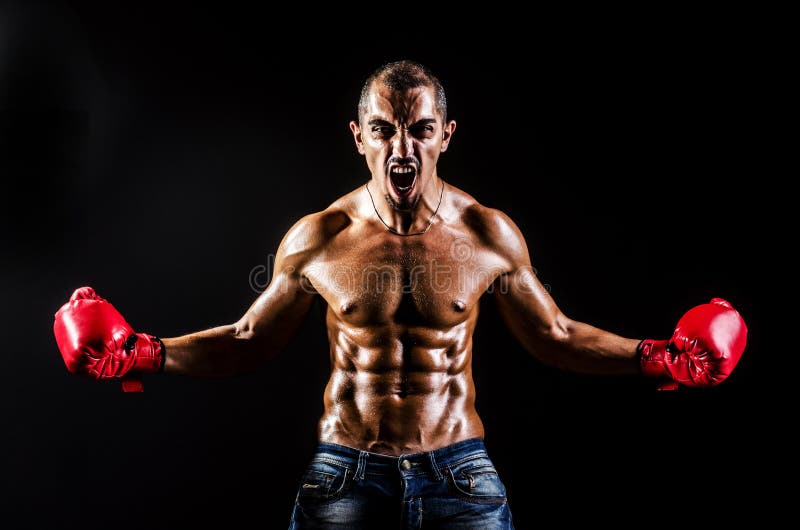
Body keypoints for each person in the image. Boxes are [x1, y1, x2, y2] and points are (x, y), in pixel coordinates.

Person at [53, 60, 748, 529]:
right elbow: (246, 340)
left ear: (444, 135)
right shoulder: (319, 236)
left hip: (459, 475)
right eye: (384, 130)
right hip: (343, 476)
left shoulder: (488, 234)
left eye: (418, 129)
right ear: (360, 138)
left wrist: (656, 357)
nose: (401, 150)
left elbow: (557, 336)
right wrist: (143, 355)